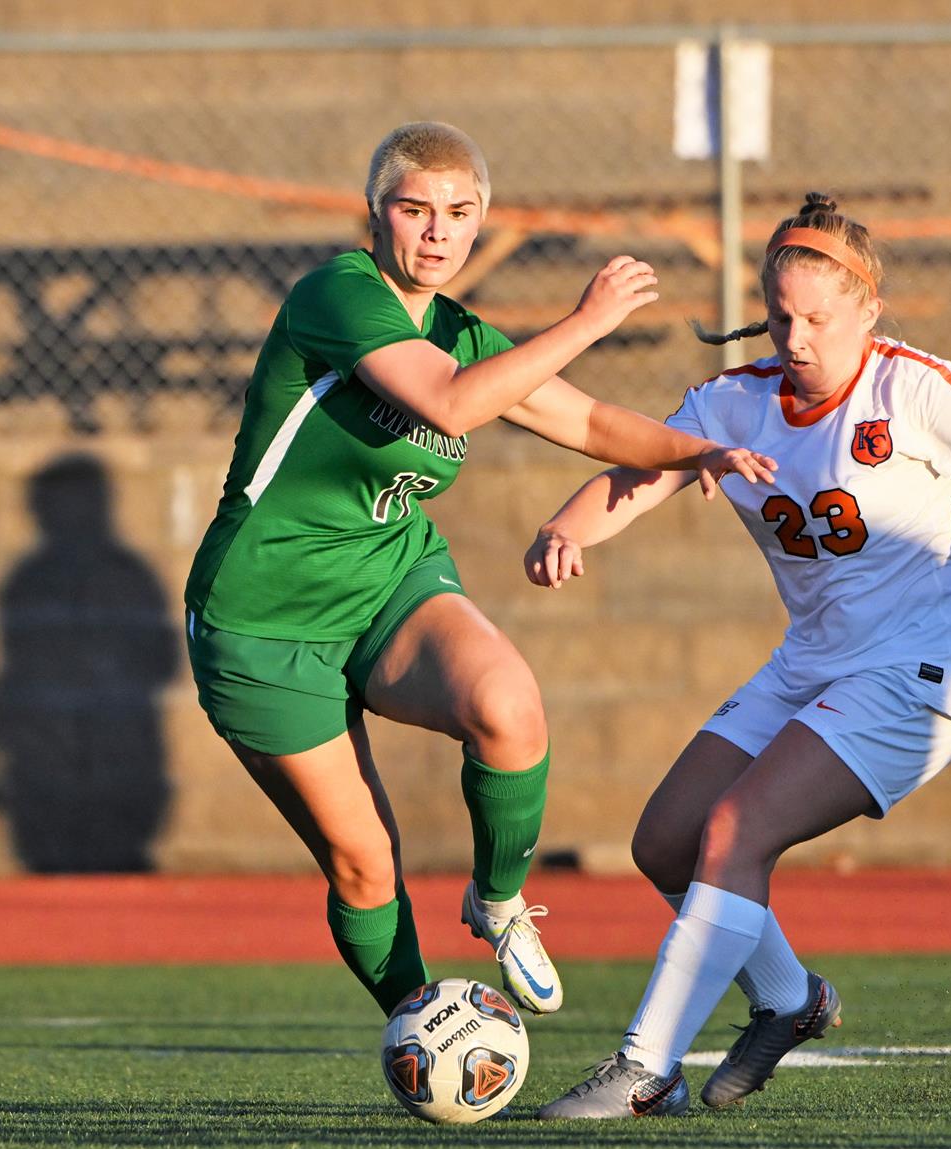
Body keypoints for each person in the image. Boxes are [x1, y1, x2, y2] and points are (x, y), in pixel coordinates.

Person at [183, 121, 777, 1021]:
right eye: (414, 209)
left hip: (387, 579)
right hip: (262, 621)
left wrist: (700, 451)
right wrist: (587, 320)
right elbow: (451, 407)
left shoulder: (464, 332)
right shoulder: (336, 295)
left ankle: (497, 900)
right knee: (364, 862)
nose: (437, 231)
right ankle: (425, 1021)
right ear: (374, 215)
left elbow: (590, 425)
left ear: (480, 221)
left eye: (459, 213)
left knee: (507, 705)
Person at [530, 195, 951, 1118]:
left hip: (916, 676)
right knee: (664, 841)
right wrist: (567, 526)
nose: (796, 335)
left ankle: (643, 1069)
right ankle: (789, 1000)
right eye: (781, 315)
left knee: (734, 833)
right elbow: (641, 474)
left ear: (867, 310)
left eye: (818, 318)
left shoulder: (912, 387)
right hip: (810, 667)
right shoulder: (733, 403)